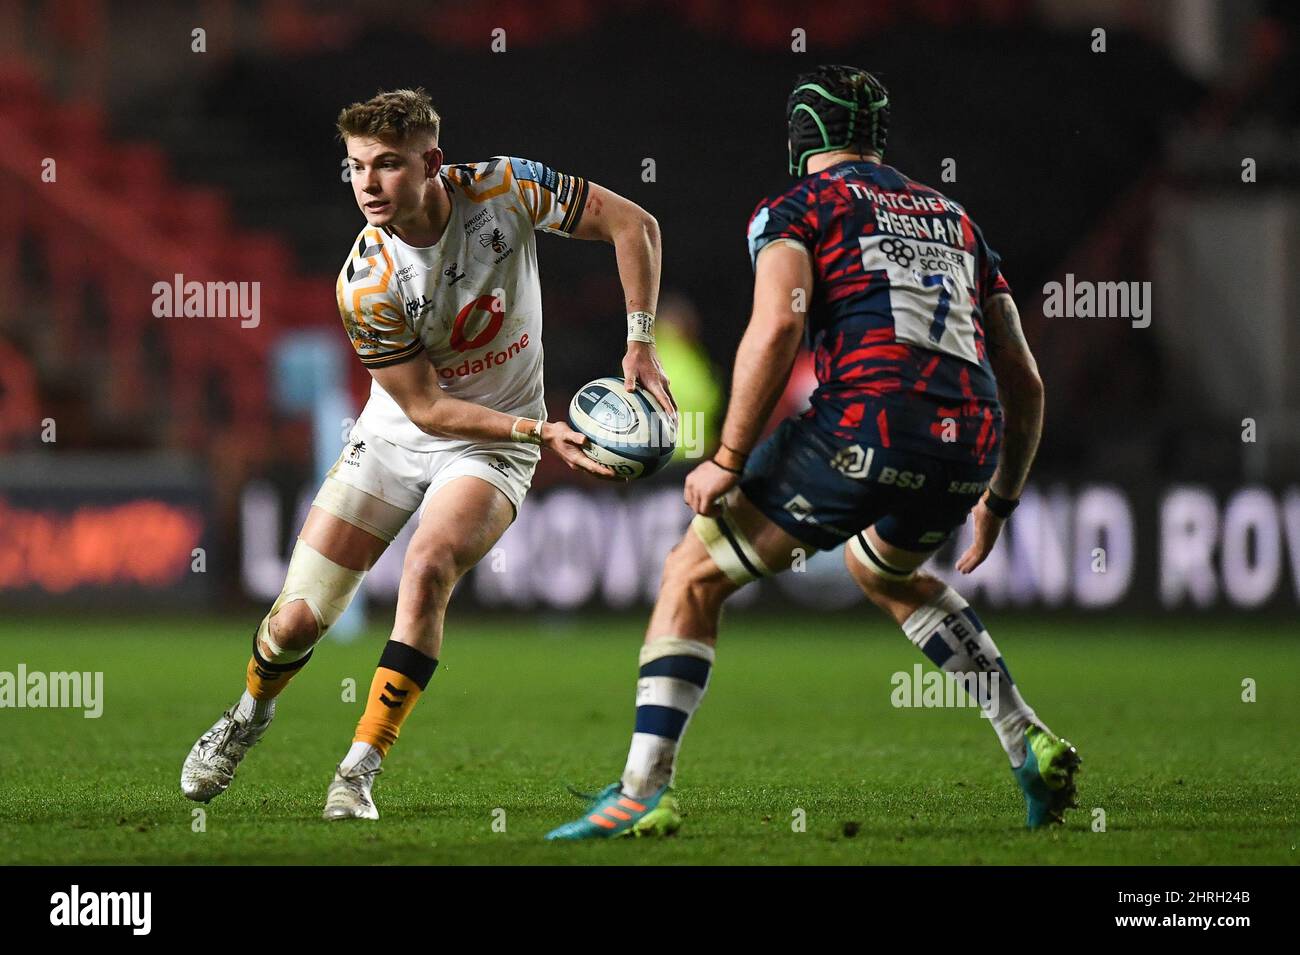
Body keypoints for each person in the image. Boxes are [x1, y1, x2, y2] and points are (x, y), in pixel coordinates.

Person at [547, 65, 1078, 840]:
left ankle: (642, 789)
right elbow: (1025, 378)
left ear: (800, 136)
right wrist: (999, 497)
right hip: (970, 436)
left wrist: (728, 455)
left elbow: (778, 327)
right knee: (881, 567)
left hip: (869, 419)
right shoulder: (955, 217)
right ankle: (1026, 736)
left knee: (691, 574)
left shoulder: (797, 207)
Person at [181, 87, 674, 820]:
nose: (368, 185)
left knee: (429, 565)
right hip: (399, 434)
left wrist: (639, 339)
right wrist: (542, 433)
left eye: (386, 165)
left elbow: (635, 224)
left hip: (493, 446)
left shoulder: (506, 190)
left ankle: (358, 768)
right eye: (354, 168)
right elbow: (425, 408)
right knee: (294, 624)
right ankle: (248, 714)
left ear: (432, 163)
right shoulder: (366, 281)